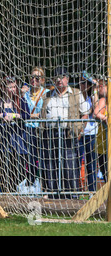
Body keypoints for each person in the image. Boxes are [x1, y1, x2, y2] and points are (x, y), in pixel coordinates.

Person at [40, 67, 90, 198]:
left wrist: (80, 130)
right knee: (51, 164)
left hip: (69, 134)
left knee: (70, 165)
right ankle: (53, 194)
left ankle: (71, 195)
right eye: (56, 77)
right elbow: (42, 115)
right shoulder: (47, 95)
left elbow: (85, 114)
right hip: (50, 134)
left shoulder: (76, 93)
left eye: (61, 77)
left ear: (67, 79)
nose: (58, 80)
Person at [0, 76, 30, 192]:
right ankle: (6, 190)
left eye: (13, 87)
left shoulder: (19, 100)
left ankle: (13, 186)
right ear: (4, 87)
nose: (12, 89)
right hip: (3, 139)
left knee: (20, 167)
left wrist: (16, 116)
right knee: (3, 166)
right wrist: (2, 116)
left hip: (17, 138)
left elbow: (27, 115)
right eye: (9, 87)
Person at [23, 67, 49, 189]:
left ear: (42, 80)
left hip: (42, 129)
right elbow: (21, 110)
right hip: (28, 128)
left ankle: (45, 185)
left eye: (37, 78)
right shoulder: (25, 93)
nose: (34, 80)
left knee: (44, 157)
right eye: (32, 77)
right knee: (30, 158)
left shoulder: (46, 93)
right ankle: (31, 184)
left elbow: (45, 112)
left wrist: (30, 115)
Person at [78, 71, 99, 192]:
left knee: (91, 164)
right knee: (76, 163)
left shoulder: (92, 97)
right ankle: (76, 191)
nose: (84, 85)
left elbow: (96, 108)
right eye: (82, 83)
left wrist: (95, 89)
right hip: (79, 134)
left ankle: (92, 191)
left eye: (86, 83)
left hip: (91, 133)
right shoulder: (77, 96)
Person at [93, 79, 108, 184]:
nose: (100, 88)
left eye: (103, 86)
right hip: (103, 144)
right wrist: (105, 118)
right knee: (106, 173)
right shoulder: (104, 100)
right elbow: (96, 113)